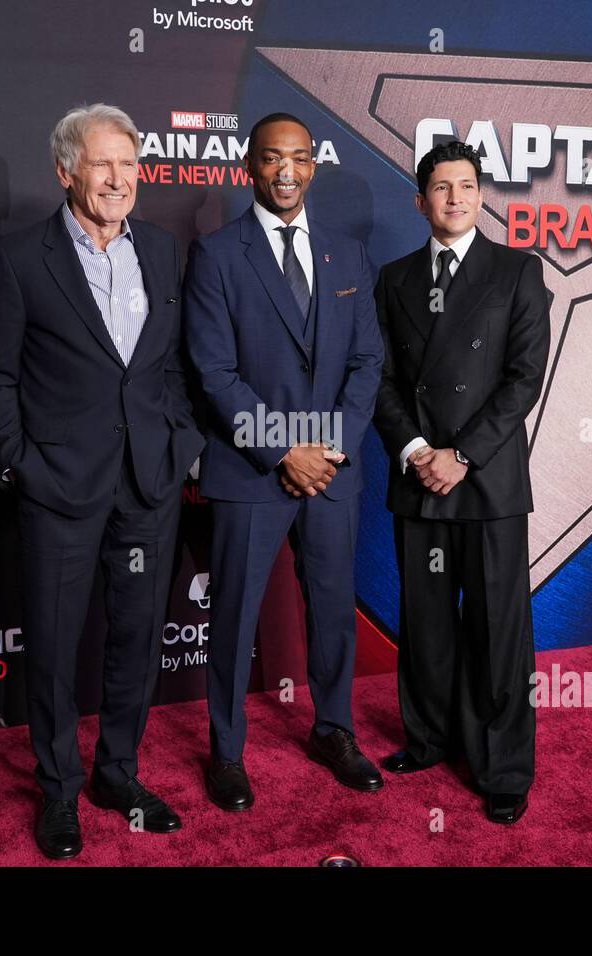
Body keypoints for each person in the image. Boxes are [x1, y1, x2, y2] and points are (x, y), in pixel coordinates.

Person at [0, 103, 204, 859]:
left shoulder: (165, 252)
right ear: (66, 170)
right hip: (60, 489)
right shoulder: (21, 257)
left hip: (148, 484)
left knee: (136, 641)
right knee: (52, 646)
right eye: (102, 164)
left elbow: (169, 366)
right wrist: (19, 462)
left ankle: (118, 775)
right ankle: (59, 791)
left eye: (129, 165)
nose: (119, 179)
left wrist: (180, 443)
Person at [183, 112, 385, 811]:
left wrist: (328, 450)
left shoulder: (346, 254)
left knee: (332, 609)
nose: (288, 171)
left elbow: (366, 364)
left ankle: (335, 730)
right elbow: (213, 372)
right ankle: (227, 752)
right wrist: (283, 450)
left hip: (332, 469)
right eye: (273, 158)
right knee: (235, 614)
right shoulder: (216, 255)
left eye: (299, 157)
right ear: (250, 167)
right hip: (251, 469)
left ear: (313, 166)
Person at [371, 140, 550, 824]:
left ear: (480, 195)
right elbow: (381, 379)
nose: (455, 198)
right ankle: (427, 739)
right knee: (424, 623)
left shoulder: (516, 271)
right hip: (420, 476)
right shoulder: (393, 280)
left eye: (466, 185)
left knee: (499, 627)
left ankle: (504, 767)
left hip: (488, 479)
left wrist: (462, 454)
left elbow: (523, 378)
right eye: (441, 187)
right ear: (420, 202)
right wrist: (419, 450)